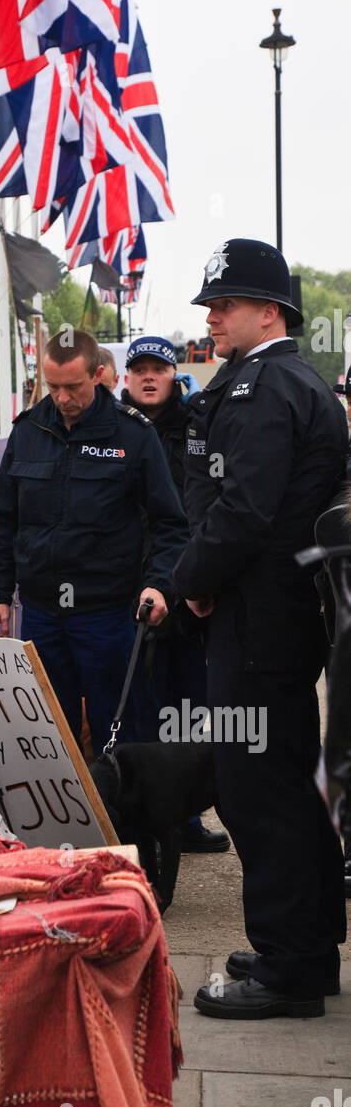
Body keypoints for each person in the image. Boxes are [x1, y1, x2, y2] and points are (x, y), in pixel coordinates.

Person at [174, 239, 348, 1020]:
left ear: (269, 311)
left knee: (257, 790)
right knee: (282, 781)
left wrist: (189, 584)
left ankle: (290, 968)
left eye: (225, 304)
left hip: (259, 616)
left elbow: (243, 510)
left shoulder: (266, 386)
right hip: (267, 613)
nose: (212, 317)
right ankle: (303, 943)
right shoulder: (272, 379)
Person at [0, 328, 188, 753]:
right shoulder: (28, 430)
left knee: (121, 736)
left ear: (99, 376)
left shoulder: (134, 435)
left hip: (107, 615)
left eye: (72, 386)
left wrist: (160, 583)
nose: (61, 397)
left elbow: (171, 523)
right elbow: (3, 519)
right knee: (50, 738)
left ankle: (133, 821)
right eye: (52, 386)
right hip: (40, 613)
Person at [121, 335, 229, 855]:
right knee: (140, 714)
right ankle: (141, 827)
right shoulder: (113, 428)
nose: (148, 377)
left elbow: (209, 504)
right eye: (139, 369)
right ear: (125, 377)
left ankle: (184, 820)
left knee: (187, 711)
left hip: (186, 589)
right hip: (130, 590)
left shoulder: (197, 426)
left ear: (172, 374)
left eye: (158, 369)